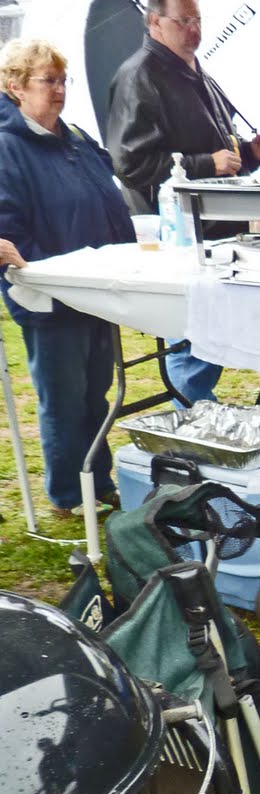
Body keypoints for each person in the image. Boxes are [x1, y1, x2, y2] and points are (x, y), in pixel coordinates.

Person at [105, 0, 260, 405]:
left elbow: (220, 146)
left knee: (208, 335)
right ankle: (193, 427)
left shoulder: (194, 68)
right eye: (183, 20)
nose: (193, 29)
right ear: (154, 22)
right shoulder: (138, 76)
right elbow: (131, 164)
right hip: (178, 232)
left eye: (197, 19)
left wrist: (249, 155)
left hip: (215, 227)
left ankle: (198, 419)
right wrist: (207, 163)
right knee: (189, 340)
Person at [0, 39, 133, 517]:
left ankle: (97, 479)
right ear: (14, 87)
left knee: (94, 392)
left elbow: (105, 191)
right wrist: (50, 277)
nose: (58, 90)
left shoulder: (72, 136)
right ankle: (68, 493)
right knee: (62, 397)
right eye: (47, 81)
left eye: (62, 80)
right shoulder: (7, 146)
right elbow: (7, 228)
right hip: (50, 295)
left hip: (96, 288)